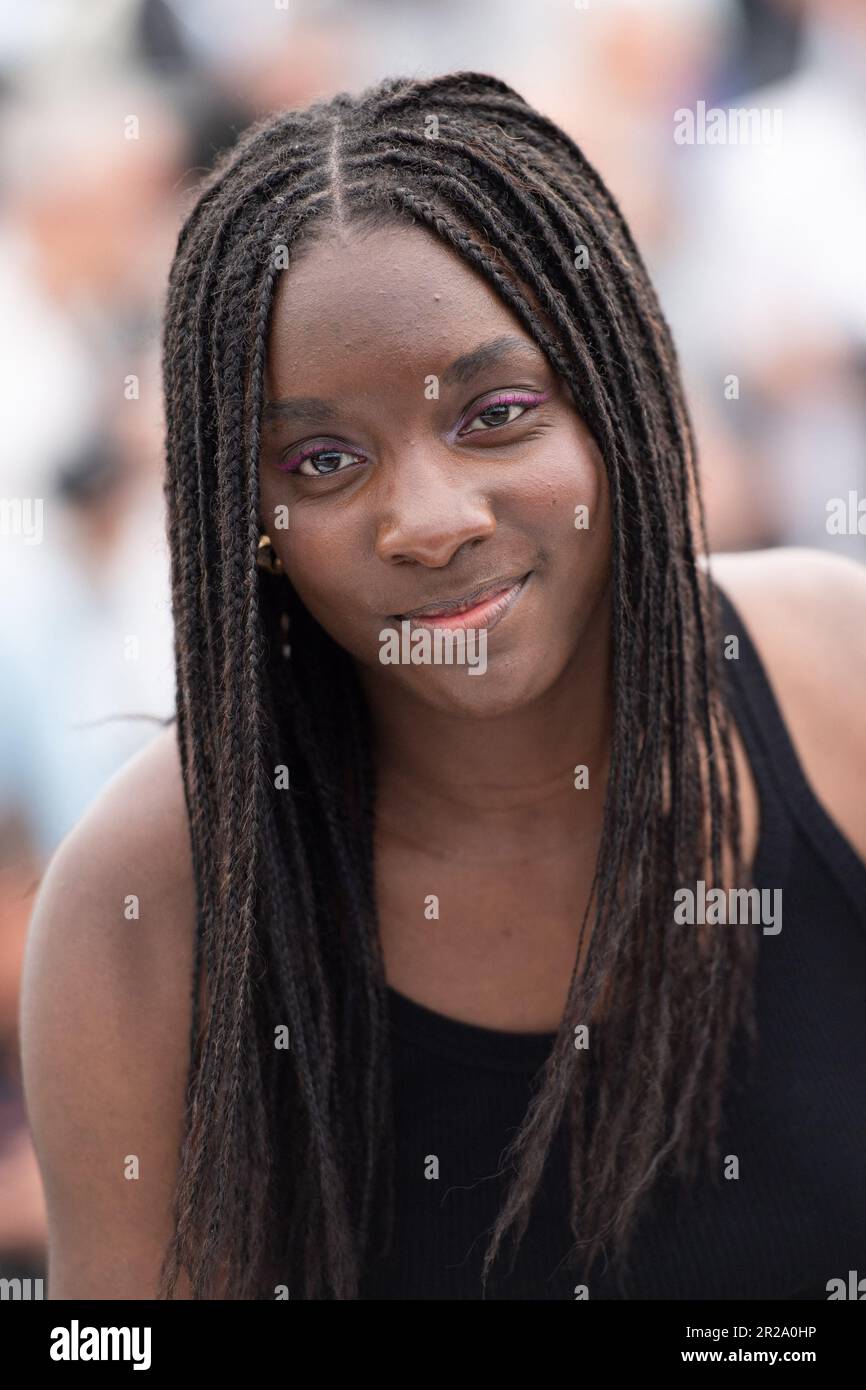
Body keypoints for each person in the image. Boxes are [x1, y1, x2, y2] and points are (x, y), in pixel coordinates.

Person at [19, 70, 866, 1301]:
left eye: (495, 413)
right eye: (323, 459)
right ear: (248, 519)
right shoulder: (138, 911)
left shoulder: (838, 677)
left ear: (615, 400)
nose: (426, 521)